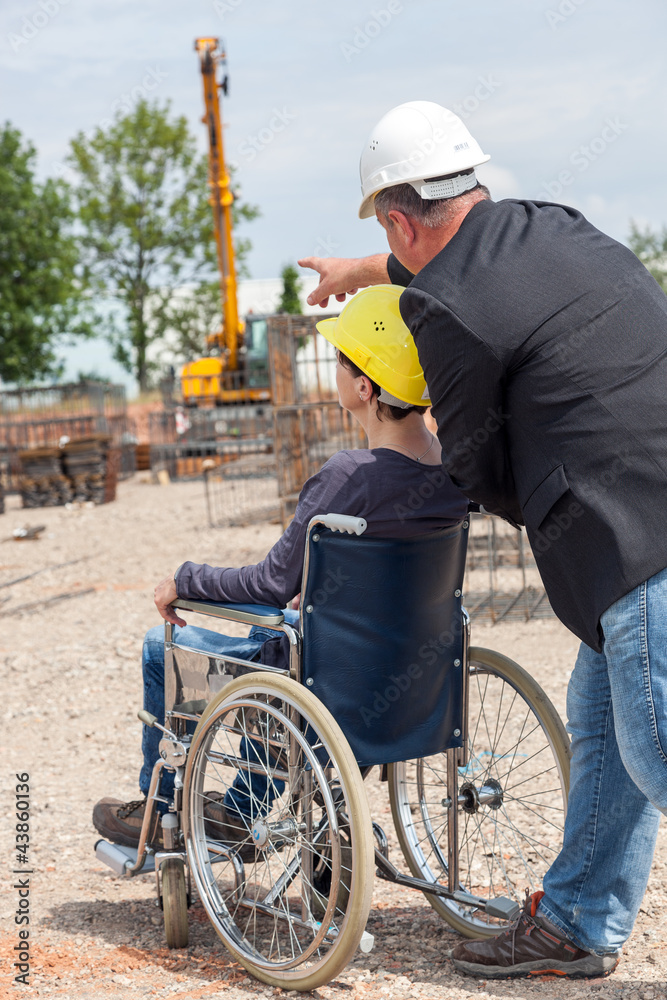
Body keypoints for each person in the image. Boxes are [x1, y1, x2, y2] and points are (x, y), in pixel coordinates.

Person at [299, 100, 667, 980]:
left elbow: (474, 465)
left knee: (655, 748)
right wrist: (361, 268)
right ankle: (576, 921)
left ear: (398, 219)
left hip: (637, 540)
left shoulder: (444, 307)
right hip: (645, 517)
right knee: (602, 729)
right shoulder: (551, 224)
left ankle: (577, 920)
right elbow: (447, 256)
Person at [92, 284, 468, 855]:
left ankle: (165, 810)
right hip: (416, 680)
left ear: (364, 387)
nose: (335, 371)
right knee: (285, 625)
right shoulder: (454, 472)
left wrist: (186, 579)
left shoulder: (349, 476)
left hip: (330, 685)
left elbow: (268, 582)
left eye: (340, 361)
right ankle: (241, 807)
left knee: (160, 646)